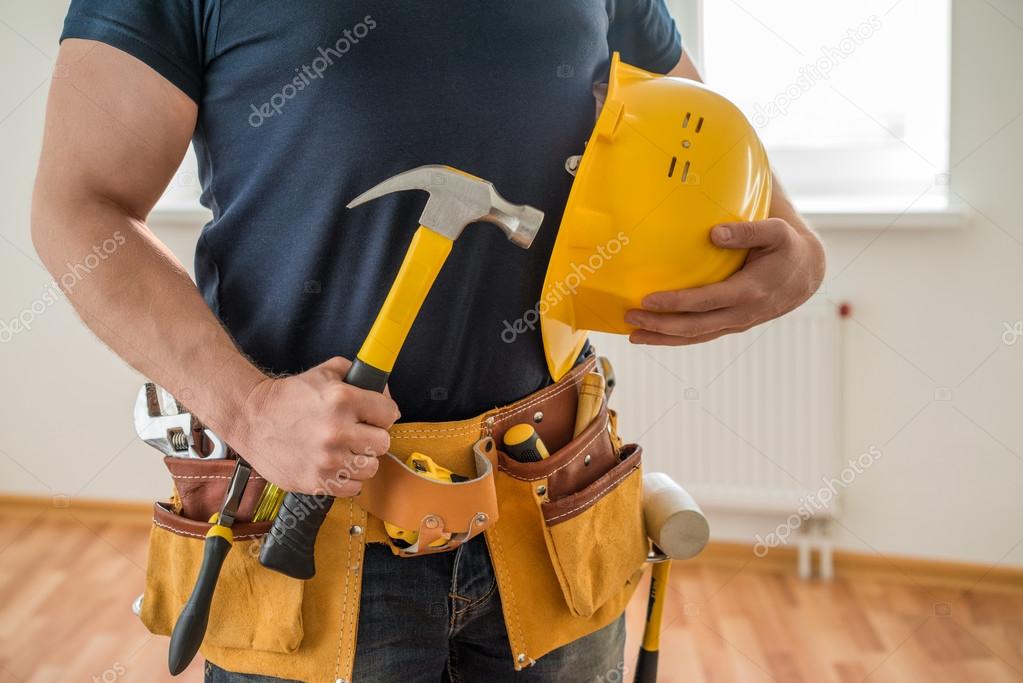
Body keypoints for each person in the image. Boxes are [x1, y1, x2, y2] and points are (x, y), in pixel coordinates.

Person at [32, 2, 825, 681]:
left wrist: (797, 246)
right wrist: (248, 408)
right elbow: (78, 209)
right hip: (308, 529)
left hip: (548, 512)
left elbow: (694, 125)